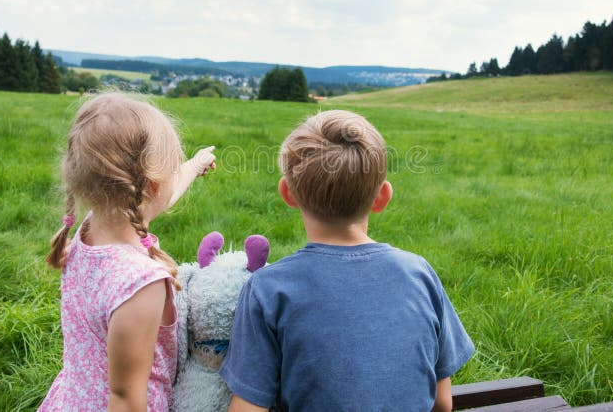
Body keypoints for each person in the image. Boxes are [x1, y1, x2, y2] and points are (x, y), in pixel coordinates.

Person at [220, 110, 474, 412]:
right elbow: (442, 402)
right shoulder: (419, 273)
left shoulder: (267, 288)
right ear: (382, 197)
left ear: (287, 193)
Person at [39, 93, 216, 412]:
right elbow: (125, 398)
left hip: (73, 398)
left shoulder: (91, 228)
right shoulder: (140, 283)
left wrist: (194, 164)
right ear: (150, 185)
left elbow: (160, 196)